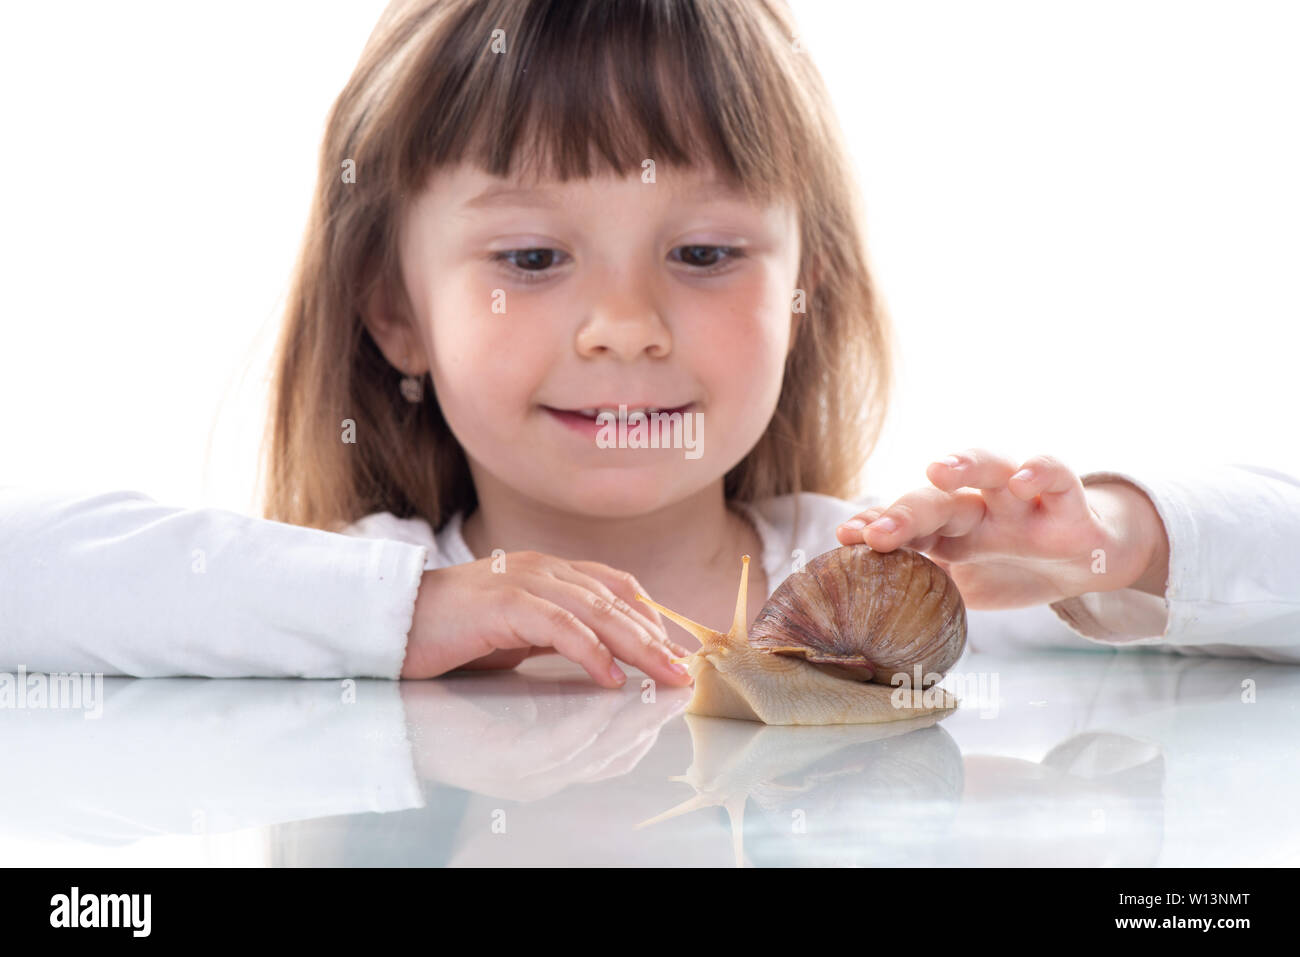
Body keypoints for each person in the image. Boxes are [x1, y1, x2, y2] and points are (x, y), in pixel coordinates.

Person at [3, 0, 1298, 684]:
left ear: (805, 293)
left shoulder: (914, 599)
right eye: (529, 257)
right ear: (392, 308)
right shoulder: (346, 600)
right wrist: (402, 617)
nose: (624, 325)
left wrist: (1111, 545)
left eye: (703, 254)